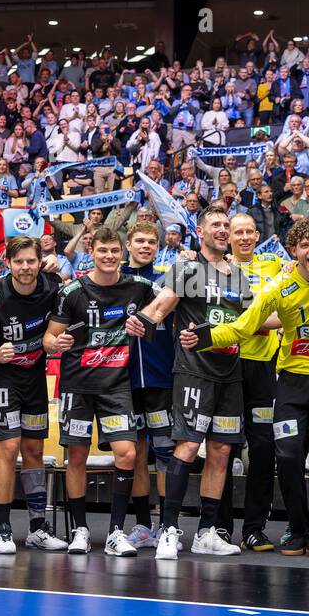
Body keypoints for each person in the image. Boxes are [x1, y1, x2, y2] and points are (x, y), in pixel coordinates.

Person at [185, 217, 309, 559]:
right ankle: (299, 529)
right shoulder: (278, 288)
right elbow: (243, 327)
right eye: (305, 246)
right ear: (294, 252)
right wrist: (203, 338)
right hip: (290, 382)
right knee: (287, 455)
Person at [128, 207, 250, 559]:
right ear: (200, 230)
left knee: (222, 451)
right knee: (185, 448)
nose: (223, 230)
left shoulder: (238, 274)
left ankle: (206, 532)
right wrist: (142, 320)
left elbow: (254, 318)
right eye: (216, 225)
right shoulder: (188, 267)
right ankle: (168, 530)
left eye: (227, 225)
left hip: (231, 373)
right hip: (194, 372)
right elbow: (161, 306)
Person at [45, 226, 157, 555]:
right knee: (76, 456)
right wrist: (57, 343)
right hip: (77, 387)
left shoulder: (139, 287)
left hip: (116, 386)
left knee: (128, 454)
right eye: (102, 250)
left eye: (114, 251)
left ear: (122, 253)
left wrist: (147, 321)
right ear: (91, 252)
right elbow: (49, 338)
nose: (109, 256)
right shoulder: (73, 291)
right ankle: (80, 530)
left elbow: (167, 302)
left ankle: (114, 533)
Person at [0, 236, 68, 553]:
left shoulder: (53, 287)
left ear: (40, 261)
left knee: (33, 449)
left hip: (34, 378)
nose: (25, 267)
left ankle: (38, 528)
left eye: (31, 260)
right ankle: (2, 530)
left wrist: (53, 342)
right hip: (1, 377)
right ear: (8, 262)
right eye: (19, 262)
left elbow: (54, 332)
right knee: (8, 445)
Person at [218, 212, 283, 550]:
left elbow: (284, 309)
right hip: (226, 368)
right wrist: (261, 321)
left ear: (258, 236)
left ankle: (255, 528)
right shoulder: (216, 269)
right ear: (228, 236)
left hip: (263, 368)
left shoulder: (273, 263)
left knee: (262, 448)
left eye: (248, 232)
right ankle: (220, 527)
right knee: (224, 448)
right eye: (237, 232)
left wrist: (255, 323)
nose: (243, 237)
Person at [119, 222, 177, 551]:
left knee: (166, 455)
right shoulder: (115, 281)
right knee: (137, 454)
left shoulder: (169, 281)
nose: (145, 246)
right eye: (139, 241)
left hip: (161, 380)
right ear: (128, 244)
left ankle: (168, 527)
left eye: (151, 242)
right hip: (123, 383)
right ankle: (142, 525)